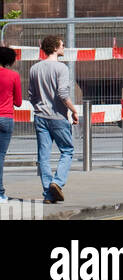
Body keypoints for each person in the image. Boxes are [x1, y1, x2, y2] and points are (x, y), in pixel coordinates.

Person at [27, 35, 78, 204]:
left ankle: (48, 194)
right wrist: (74, 110)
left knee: (43, 155)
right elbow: (63, 94)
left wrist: (39, 106)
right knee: (67, 150)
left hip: (40, 116)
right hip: (57, 116)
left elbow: (31, 95)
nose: (64, 47)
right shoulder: (61, 68)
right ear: (55, 48)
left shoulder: (34, 68)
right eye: (62, 45)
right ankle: (57, 182)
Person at [0, 45, 23, 204]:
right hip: (6, 117)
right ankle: (0, 193)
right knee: (0, 156)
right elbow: (19, 102)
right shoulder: (13, 76)